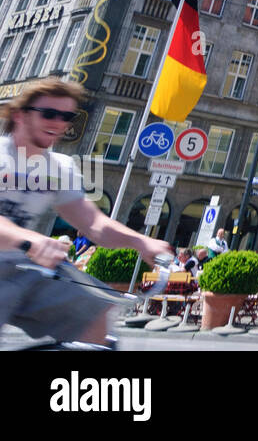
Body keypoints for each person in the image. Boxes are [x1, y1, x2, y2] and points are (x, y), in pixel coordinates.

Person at [0, 77, 174, 347]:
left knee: (96, 309)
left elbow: (92, 221)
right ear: (20, 115)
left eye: (67, 116)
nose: (58, 122)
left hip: (23, 269)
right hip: (19, 257)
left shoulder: (60, 166)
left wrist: (141, 242)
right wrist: (30, 239)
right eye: (49, 113)